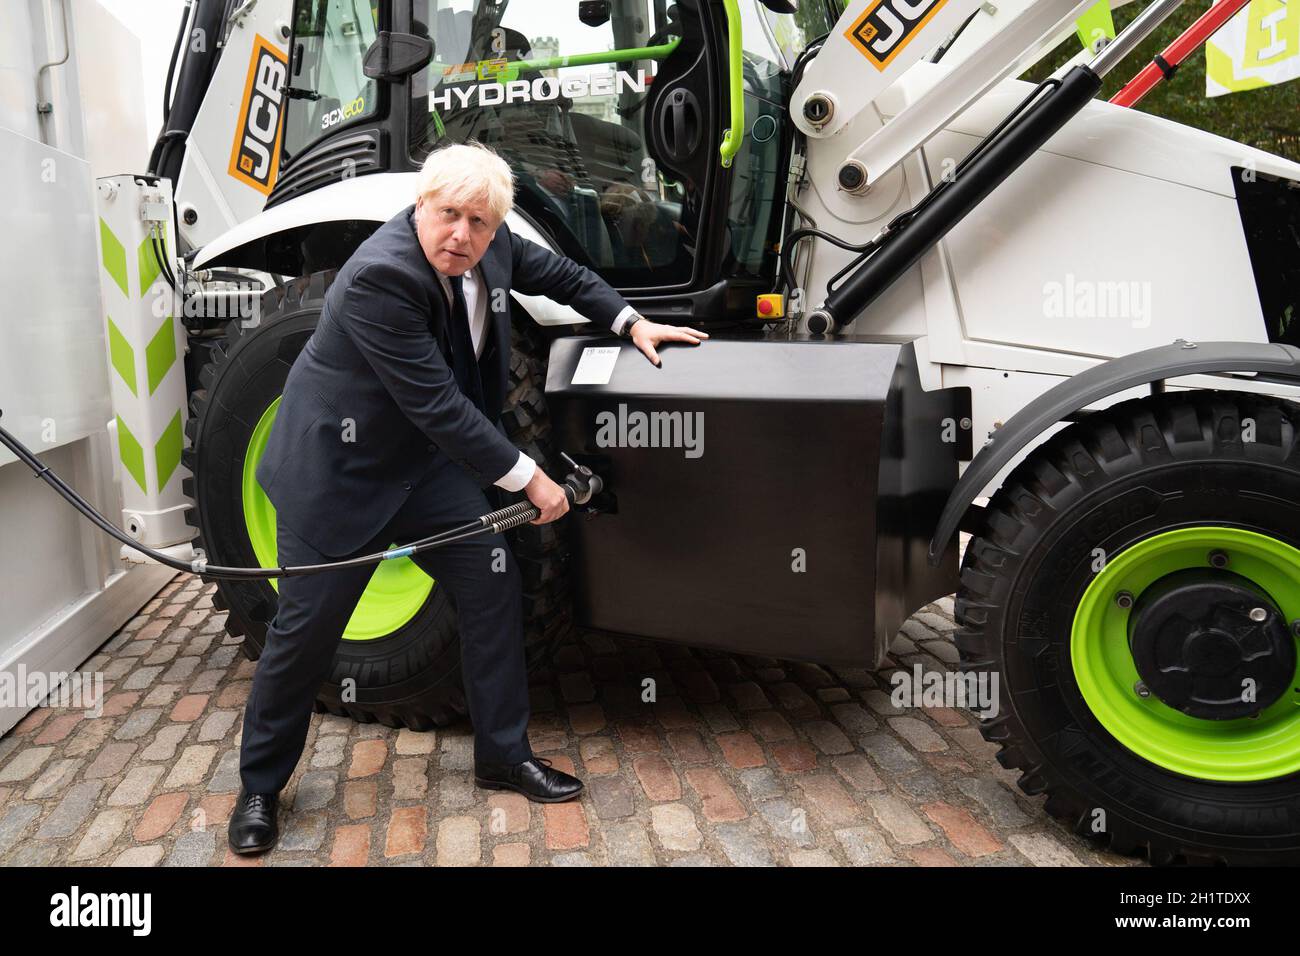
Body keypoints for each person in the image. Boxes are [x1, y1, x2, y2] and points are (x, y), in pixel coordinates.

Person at [228, 142, 707, 854]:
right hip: (341, 479)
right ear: (422, 206)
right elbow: (440, 407)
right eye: (449, 216)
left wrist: (629, 322)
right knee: (305, 638)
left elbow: (567, 274)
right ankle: (259, 787)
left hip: (418, 472)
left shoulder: (497, 242)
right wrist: (532, 479)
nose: (462, 235)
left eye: (478, 223)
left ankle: (503, 756)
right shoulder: (379, 279)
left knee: (489, 583)